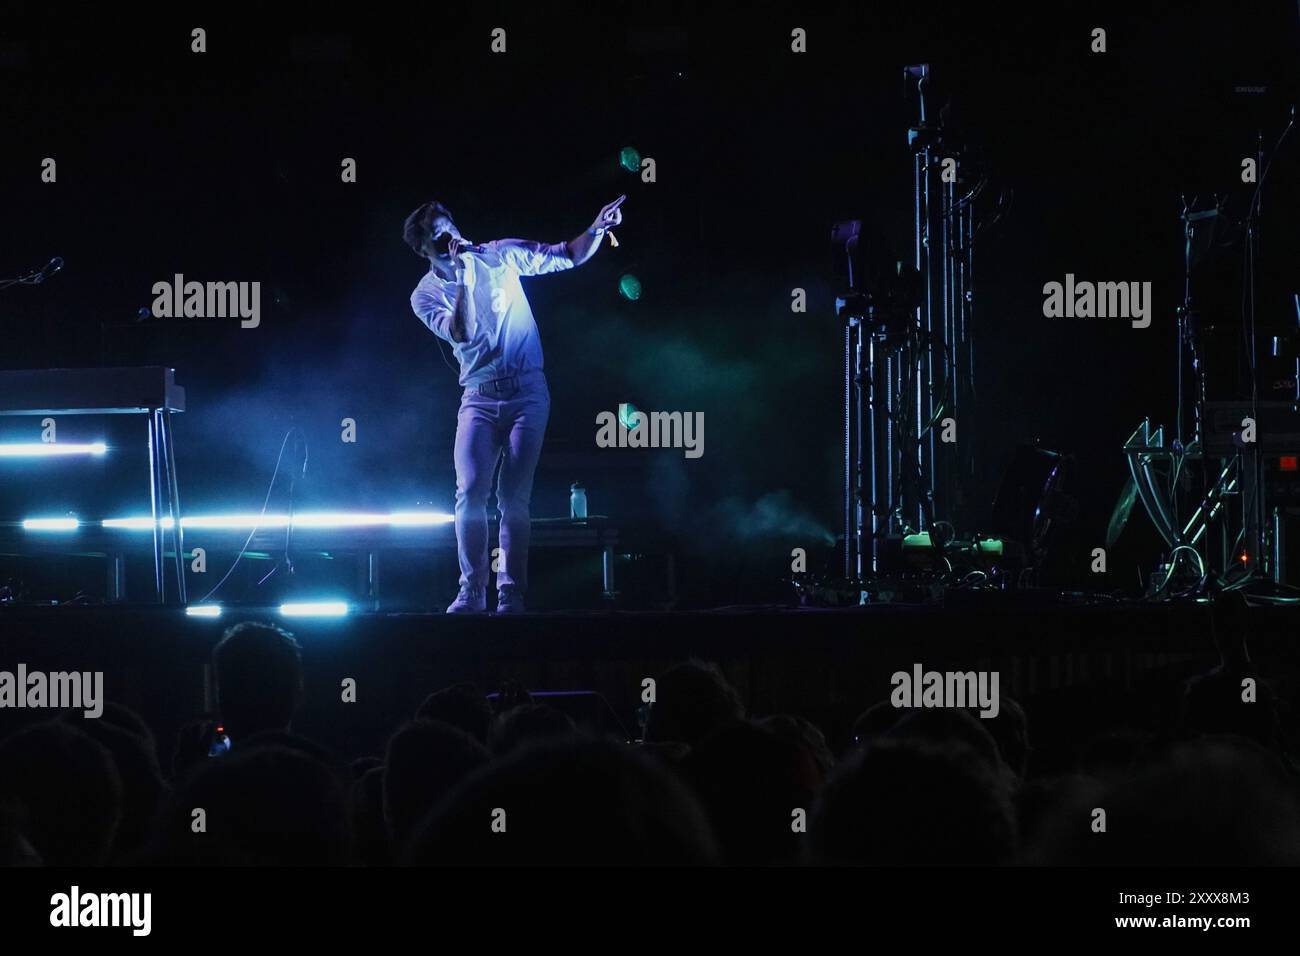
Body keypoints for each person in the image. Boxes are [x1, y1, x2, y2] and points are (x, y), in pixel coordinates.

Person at [404, 196, 625, 614]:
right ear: (423, 250)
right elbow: (463, 332)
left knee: (513, 498)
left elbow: (566, 255)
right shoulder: (425, 294)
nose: (451, 239)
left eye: (451, 228)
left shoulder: (500, 254)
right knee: (469, 492)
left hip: (527, 392)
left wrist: (596, 228)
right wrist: (466, 279)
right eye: (438, 238)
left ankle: (511, 592)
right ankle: (471, 590)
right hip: (479, 398)